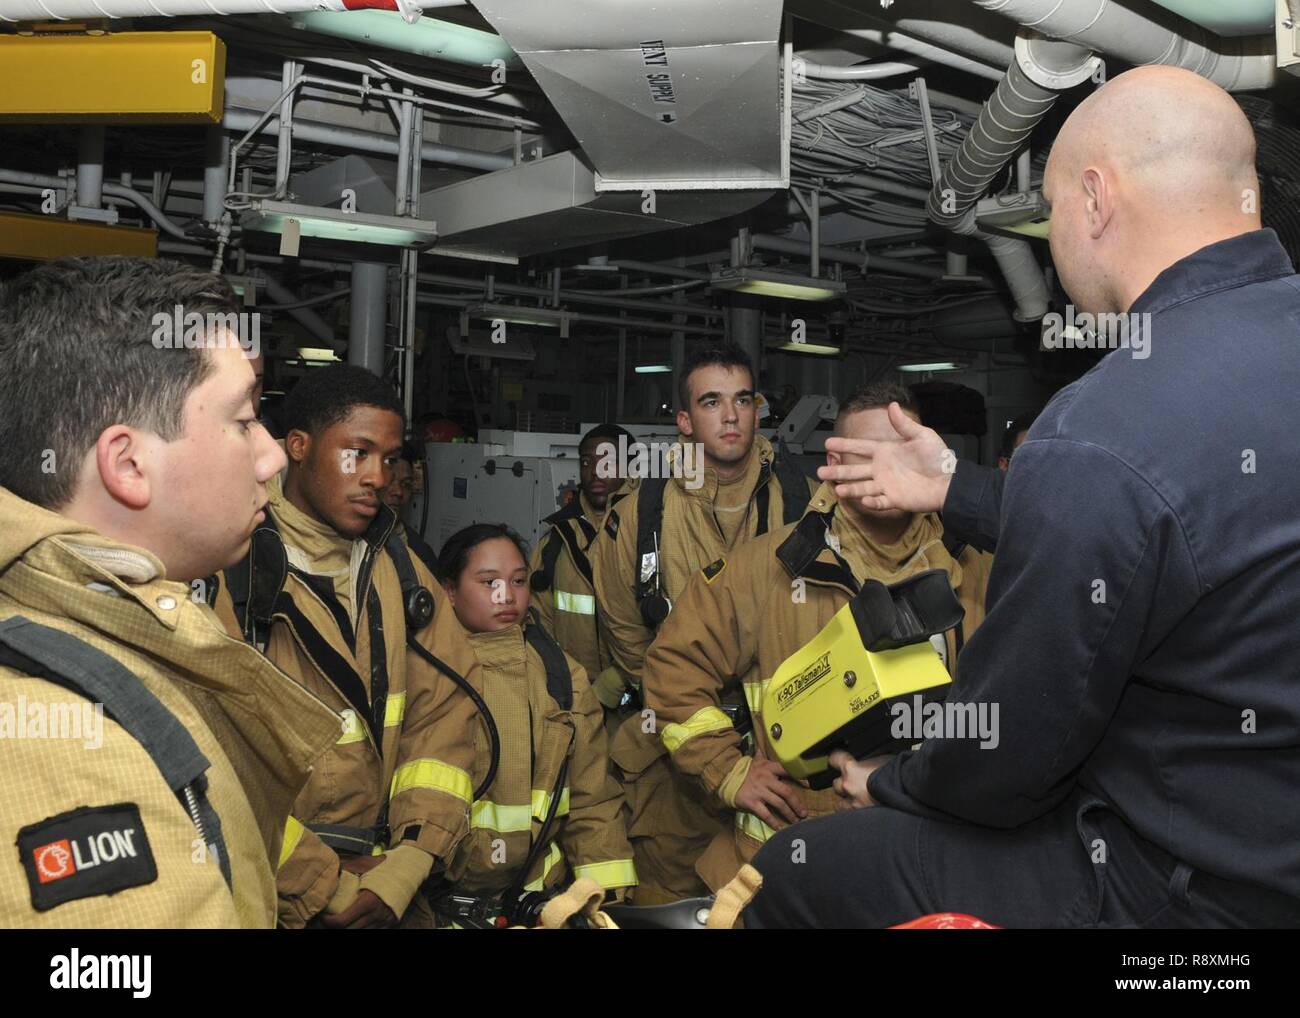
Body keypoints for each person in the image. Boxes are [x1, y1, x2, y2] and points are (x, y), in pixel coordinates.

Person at [734, 65, 1300, 928]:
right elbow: (1204, 527)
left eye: (1048, 212)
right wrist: (958, 491)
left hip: (1194, 905)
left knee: (795, 872)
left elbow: (1006, 759)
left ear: (1095, 200)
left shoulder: (1107, 424)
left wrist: (891, 780)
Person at [0, 256, 339, 928]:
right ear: (129, 465)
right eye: (244, 421)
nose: (272, 457)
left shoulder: (122, 624)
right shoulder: (65, 750)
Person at [641, 383, 991, 891]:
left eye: (900, 452)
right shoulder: (763, 569)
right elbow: (672, 668)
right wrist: (728, 771)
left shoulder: (978, 569)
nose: (885, 468)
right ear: (834, 459)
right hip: (794, 868)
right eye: (866, 454)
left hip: (932, 861)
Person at [212, 364, 483, 929]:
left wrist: (408, 863)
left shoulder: (402, 568)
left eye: (388, 458)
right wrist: (321, 883)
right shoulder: (228, 570)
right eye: (356, 453)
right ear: (299, 447)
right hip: (266, 889)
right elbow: (215, 764)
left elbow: (445, 719)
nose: (379, 477)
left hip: (386, 882)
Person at [590, 341, 815, 904]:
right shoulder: (639, 514)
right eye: (712, 402)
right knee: (672, 903)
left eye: (743, 399)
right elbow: (628, 639)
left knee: (776, 903)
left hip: (785, 751)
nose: (732, 415)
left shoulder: (805, 501)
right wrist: (705, 733)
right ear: (686, 421)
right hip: (672, 761)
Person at [429, 524, 635, 923]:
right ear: (449, 592)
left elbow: (594, 803)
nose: (508, 595)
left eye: (519, 581)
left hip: (538, 907)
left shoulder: (562, 675)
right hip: (435, 907)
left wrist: (606, 902)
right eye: (489, 582)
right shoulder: (420, 672)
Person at [528, 424, 634, 715]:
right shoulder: (556, 541)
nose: (595, 472)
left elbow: (677, 620)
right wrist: (563, 682)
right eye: (587, 462)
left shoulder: (654, 534)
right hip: (575, 699)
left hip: (642, 698)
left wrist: (620, 677)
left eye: (607, 461)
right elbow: (537, 620)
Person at [382, 441, 439, 577]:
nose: (398, 492)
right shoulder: (347, 544)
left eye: (406, 484)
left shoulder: (421, 552)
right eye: (389, 481)